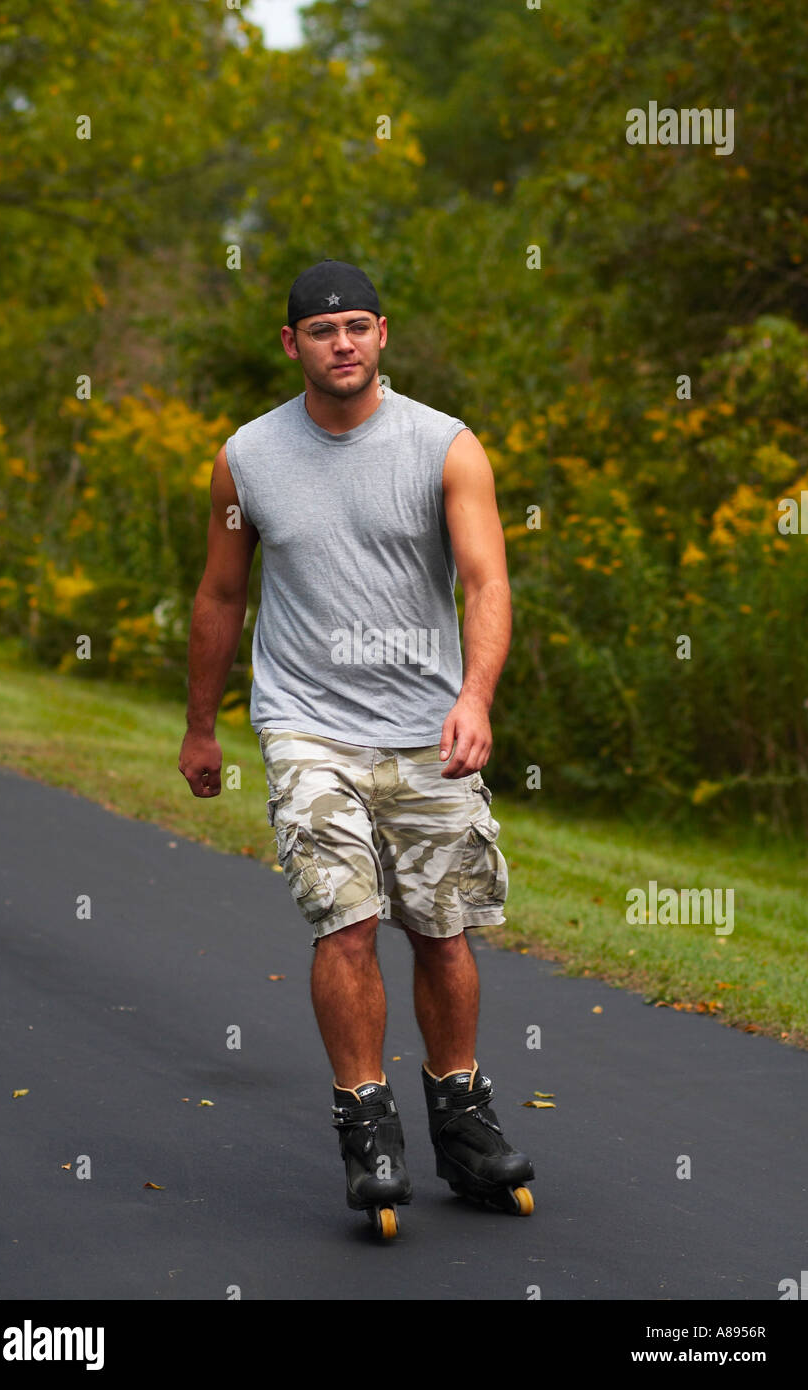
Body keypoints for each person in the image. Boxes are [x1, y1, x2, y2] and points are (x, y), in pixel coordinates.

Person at [179, 259, 534, 1236]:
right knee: (343, 919)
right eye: (321, 329)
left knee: (438, 926)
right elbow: (220, 594)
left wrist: (473, 697)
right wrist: (202, 724)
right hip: (306, 725)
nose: (342, 342)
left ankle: (460, 1119)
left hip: (426, 723)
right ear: (291, 344)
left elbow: (484, 581)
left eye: (357, 326)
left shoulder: (443, 447)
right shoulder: (246, 458)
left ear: (382, 334)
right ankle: (366, 1124)